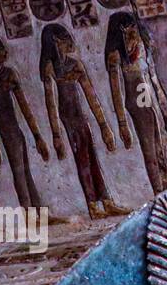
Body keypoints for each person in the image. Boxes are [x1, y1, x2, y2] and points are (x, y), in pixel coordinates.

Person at [39, 24, 126, 218]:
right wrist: (56, 135)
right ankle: (93, 206)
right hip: (68, 120)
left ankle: (106, 201)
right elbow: (51, 104)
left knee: (91, 158)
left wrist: (104, 126)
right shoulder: (50, 68)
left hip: (80, 117)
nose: (69, 44)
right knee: (83, 161)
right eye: (64, 41)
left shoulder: (74, 64)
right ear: (55, 43)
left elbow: (91, 96)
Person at [105, 12, 167, 194]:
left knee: (161, 147)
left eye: (135, 28)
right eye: (129, 30)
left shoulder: (141, 49)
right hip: (137, 104)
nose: (134, 33)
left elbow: (154, 81)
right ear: (121, 31)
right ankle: (159, 192)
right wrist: (122, 123)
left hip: (149, 101)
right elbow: (116, 91)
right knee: (150, 152)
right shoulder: (115, 55)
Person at [0, 35, 50, 211]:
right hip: (5, 126)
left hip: (14, 126)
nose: (5, 52)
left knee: (25, 170)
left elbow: (24, 107)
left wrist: (37, 136)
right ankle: (29, 212)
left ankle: (38, 211)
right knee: (18, 171)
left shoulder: (9, 73)